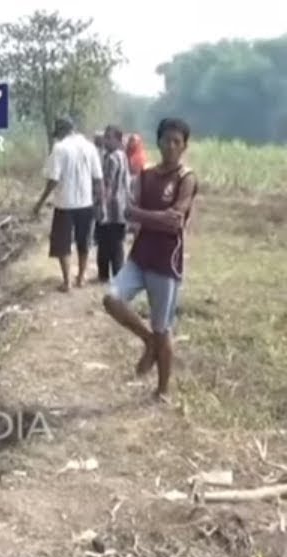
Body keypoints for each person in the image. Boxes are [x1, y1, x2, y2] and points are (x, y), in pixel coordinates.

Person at [102, 117, 198, 403]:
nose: (170, 146)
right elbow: (129, 213)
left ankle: (162, 390)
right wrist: (157, 217)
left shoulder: (186, 178)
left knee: (163, 327)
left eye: (176, 142)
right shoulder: (146, 174)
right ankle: (149, 341)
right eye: (166, 140)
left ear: (184, 146)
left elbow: (175, 221)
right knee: (111, 299)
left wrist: (147, 216)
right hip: (140, 256)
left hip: (166, 262)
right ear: (157, 142)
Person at [32, 117, 104, 291]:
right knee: (83, 241)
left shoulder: (60, 148)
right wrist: (99, 201)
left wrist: (40, 202)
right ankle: (80, 277)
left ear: (62, 131)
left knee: (62, 243)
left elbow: (53, 180)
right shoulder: (90, 147)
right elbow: (98, 178)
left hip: (65, 204)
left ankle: (67, 282)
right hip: (86, 203)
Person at [94, 125, 131, 282]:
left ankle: (104, 275)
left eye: (109, 137)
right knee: (117, 244)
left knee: (104, 243)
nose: (105, 140)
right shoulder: (122, 155)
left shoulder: (110, 158)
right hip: (121, 206)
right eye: (105, 137)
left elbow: (107, 184)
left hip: (111, 208)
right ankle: (118, 275)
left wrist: (102, 206)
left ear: (117, 139)